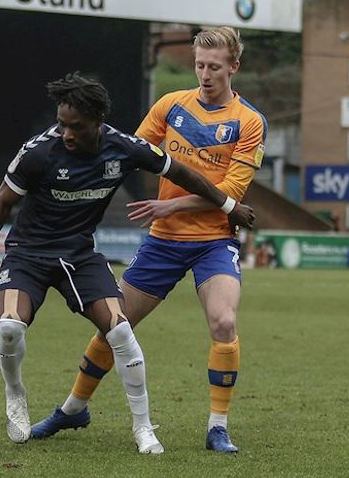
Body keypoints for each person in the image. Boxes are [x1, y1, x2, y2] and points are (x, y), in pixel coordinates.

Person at [0, 72, 255, 455]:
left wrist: (228, 206)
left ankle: (144, 428)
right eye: (62, 124)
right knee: (10, 327)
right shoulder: (38, 152)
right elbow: (0, 204)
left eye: (75, 127)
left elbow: (182, 174)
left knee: (120, 330)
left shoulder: (124, 148)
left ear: (98, 122)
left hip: (80, 255)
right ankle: (15, 394)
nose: (66, 133)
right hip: (28, 253)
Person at [30, 27, 265, 454]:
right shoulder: (171, 106)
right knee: (115, 324)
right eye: (199, 65)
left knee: (224, 323)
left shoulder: (248, 123)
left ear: (234, 66)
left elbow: (230, 192)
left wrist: (171, 206)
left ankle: (218, 427)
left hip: (215, 240)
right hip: (163, 242)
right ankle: (72, 408)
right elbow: (128, 151)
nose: (206, 74)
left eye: (215, 67)